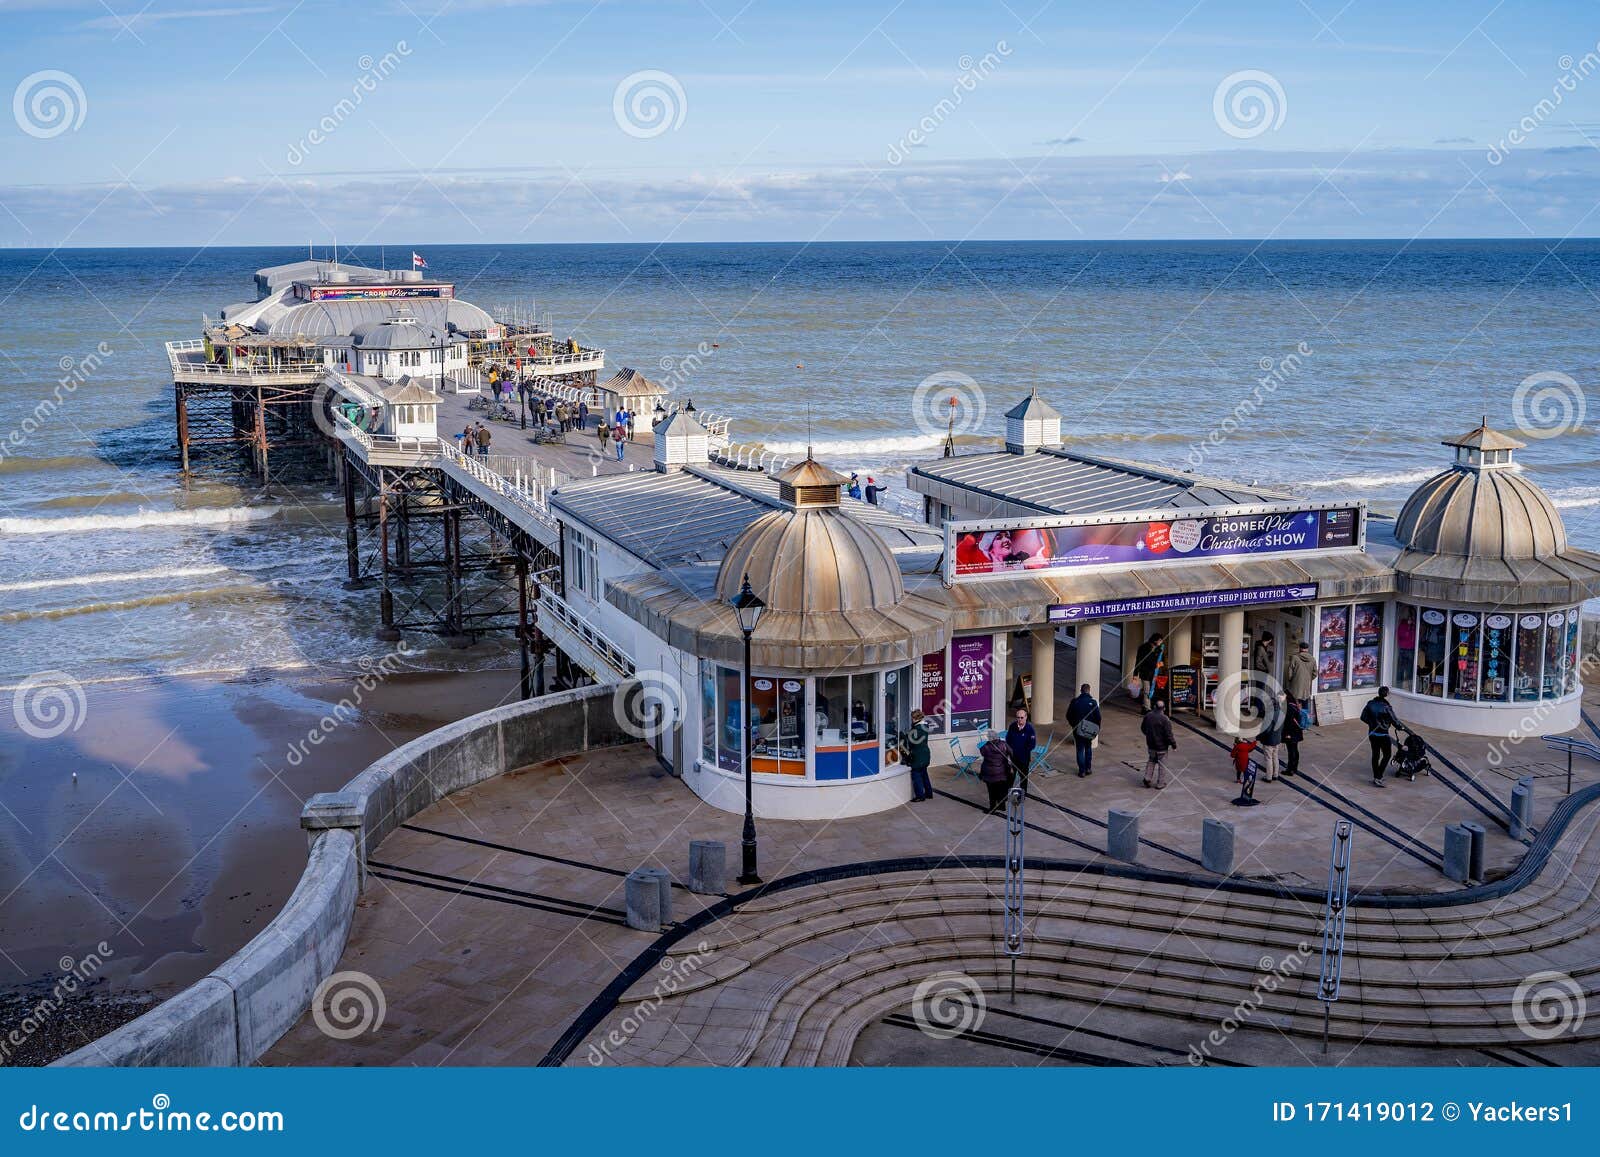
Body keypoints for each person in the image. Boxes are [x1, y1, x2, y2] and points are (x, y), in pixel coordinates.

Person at [1360, 686, 1400, 787]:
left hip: (1372, 734)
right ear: (1386, 694)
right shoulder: (1387, 707)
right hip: (1383, 734)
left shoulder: (1370, 704)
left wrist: (1371, 724)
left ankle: (1376, 776)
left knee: (1375, 755)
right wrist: (1400, 727)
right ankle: (1378, 776)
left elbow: (1363, 717)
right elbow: (1394, 720)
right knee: (1387, 755)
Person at [1064, 682, 1102, 777]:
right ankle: (1088, 768)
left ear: (1081, 691)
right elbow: (1098, 717)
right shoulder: (1093, 702)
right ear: (1089, 691)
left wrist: (1073, 725)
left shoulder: (1075, 701)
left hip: (1077, 729)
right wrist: (1096, 728)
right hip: (1089, 730)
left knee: (1080, 749)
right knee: (1088, 748)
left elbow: (1068, 715)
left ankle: (1082, 771)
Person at [1140, 696, 1176, 789]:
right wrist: (1173, 745)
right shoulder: (1165, 719)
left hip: (1151, 745)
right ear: (1164, 708)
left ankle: (1147, 778)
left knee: (1151, 761)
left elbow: (1143, 728)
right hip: (1162, 747)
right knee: (1162, 765)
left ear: (1154, 707)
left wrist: (1148, 735)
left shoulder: (1148, 716)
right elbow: (1169, 735)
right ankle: (1160, 783)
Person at [899, 709, 933, 802]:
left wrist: (902, 736)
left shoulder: (917, 729)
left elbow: (910, 741)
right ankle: (929, 793)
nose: (911, 720)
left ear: (915, 718)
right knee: (924, 774)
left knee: (916, 775)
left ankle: (920, 796)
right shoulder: (925, 726)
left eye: (912, 718)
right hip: (925, 754)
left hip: (918, 756)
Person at [978, 729, 1013, 812]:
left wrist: (987, 743)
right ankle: (1002, 806)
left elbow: (982, 752)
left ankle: (992, 808)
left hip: (989, 773)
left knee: (991, 791)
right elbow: (1011, 752)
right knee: (1000, 789)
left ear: (989, 738)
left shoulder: (986, 746)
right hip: (1002, 771)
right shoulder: (1004, 744)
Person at [1134, 631, 1165, 714]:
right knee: (1147, 690)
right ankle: (1146, 708)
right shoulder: (1144, 648)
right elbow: (1140, 661)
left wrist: (1161, 663)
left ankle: (1147, 707)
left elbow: (1161, 658)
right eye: (1160, 640)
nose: (1161, 642)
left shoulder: (1159, 648)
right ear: (1155, 640)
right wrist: (1135, 674)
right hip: (1145, 672)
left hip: (1154, 673)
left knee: (1151, 690)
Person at [1005, 707, 1037, 785]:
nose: (1020, 719)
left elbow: (1032, 744)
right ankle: (1008, 793)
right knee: (1010, 777)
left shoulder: (1030, 729)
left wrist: (1023, 752)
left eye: (1022, 717)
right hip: (1013, 758)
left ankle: (1022, 795)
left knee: (1023, 779)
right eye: (1018, 717)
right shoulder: (1012, 726)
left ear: (1026, 717)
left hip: (1023, 759)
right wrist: (1009, 753)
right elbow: (1008, 740)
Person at [1257, 696, 1284, 782]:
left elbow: (1266, 730)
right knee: (1275, 757)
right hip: (1277, 738)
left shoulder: (1269, 715)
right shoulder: (1281, 713)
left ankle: (1268, 777)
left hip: (1269, 740)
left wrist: (1259, 737)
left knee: (1268, 758)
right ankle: (1275, 774)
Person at [1282, 693, 1304, 777]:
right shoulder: (1295, 706)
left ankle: (1290, 769)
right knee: (1295, 750)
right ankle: (1294, 768)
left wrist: (1287, 734)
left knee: (1291, 751)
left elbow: (1289, 723)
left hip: (1291, 733)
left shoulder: (1289, 708)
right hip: (1297, 732)